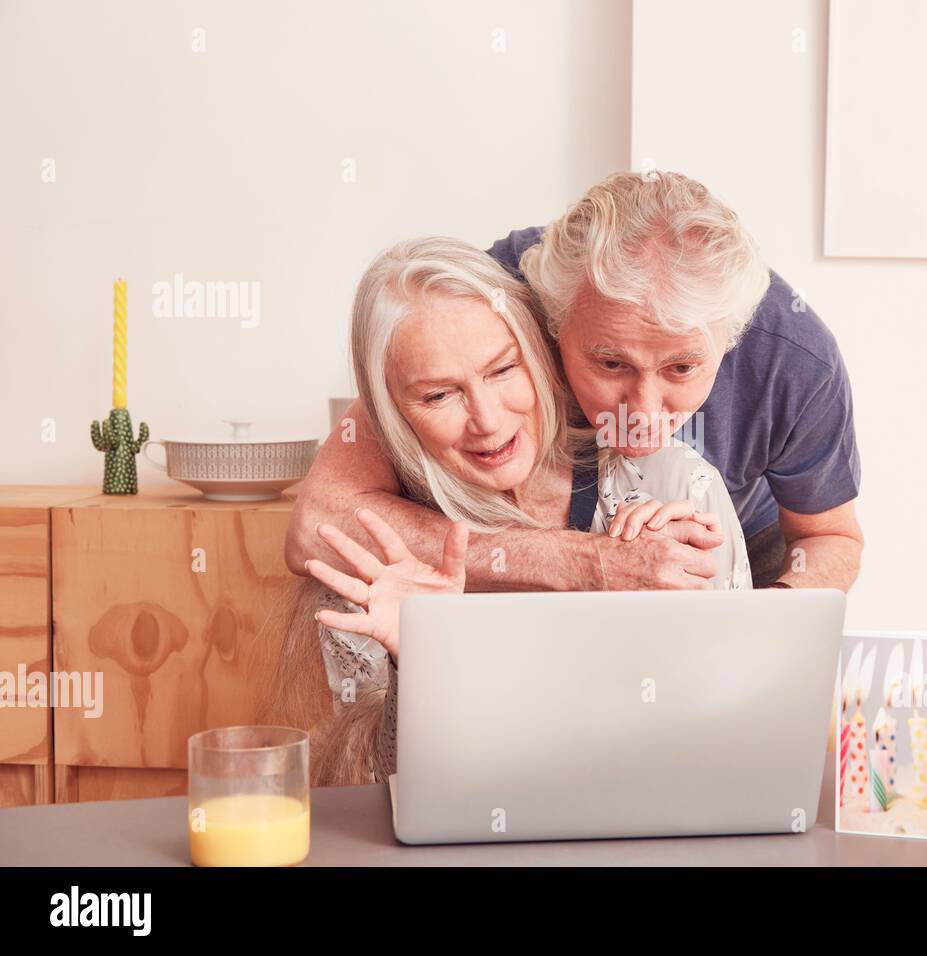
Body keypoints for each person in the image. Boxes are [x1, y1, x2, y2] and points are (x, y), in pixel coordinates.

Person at [276, 236, 748, 783]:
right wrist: (420, 659)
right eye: (438, 396)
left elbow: (734, 739)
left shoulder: (674, 484)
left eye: (502, 370)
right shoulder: (379, 560)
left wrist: (671, 630)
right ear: (388, 415)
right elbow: (388, 791)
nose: (489, 420)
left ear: (545, 357)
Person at [285, 171, 864, 594]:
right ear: (550, 318)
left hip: (745, 555)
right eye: (611, 364)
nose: (642, 411)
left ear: (733, 338)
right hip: (537, 560)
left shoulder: (797, 359)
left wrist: (767, 628)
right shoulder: (499, 298)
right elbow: (320, 523)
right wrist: (577, 562)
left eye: (682, 368)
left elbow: (830, 539)